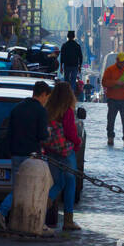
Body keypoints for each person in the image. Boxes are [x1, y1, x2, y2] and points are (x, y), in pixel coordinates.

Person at [0, 81, 52, 232]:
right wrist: (48, 133)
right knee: (26, 188)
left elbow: (9, 132)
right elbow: (42, 135)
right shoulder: (40, 111)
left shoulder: (17, 108)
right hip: (31, 156)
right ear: (43, 94)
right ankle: (3, 211)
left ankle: (14, 219)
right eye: (47, 97)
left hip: (16, 153)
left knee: (17, 187)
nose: (46, 101)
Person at [40, 81, 82, 231]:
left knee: (58, 183)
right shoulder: (67, 111)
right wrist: (78, 142)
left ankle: (40, 210)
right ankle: (68, 220)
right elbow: (71, 132)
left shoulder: (48, 109)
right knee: (70, 183)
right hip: (66, 152)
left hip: (51, 150)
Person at [101, 52, 124, 147]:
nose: (123, 64)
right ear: (117, 61)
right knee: (111, 119)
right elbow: (104, 82)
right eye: (121, 62)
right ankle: (110, 137)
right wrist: (116, 82)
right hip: (112, 99)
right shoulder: (110, 70)